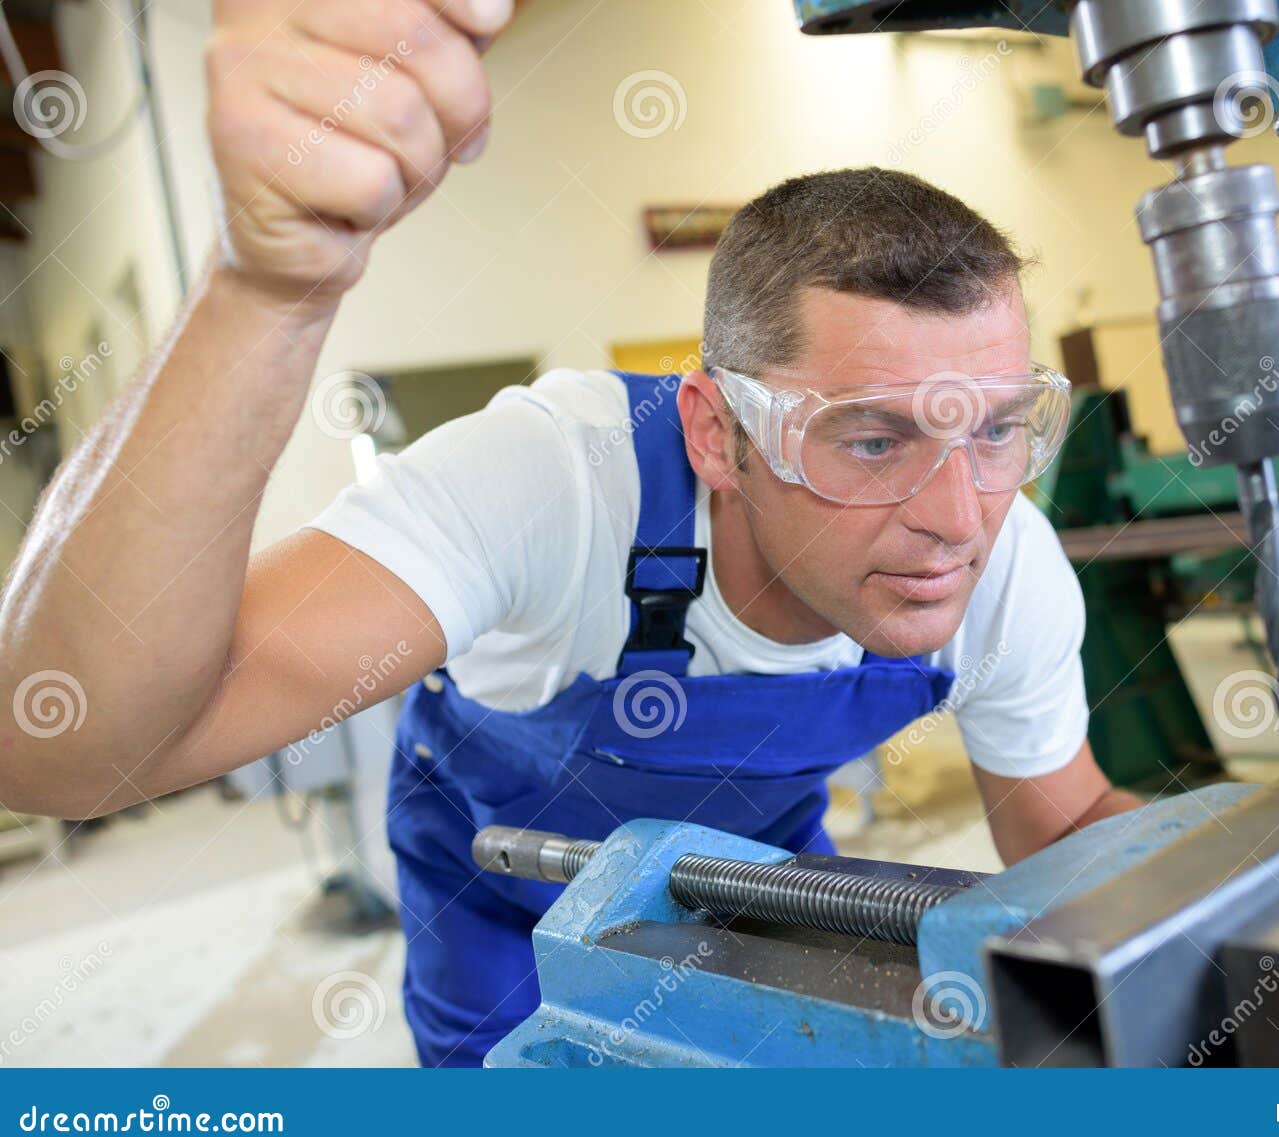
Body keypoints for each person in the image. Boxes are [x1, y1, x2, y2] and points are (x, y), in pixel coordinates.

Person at [0, 0, 1141, 1066]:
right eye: (872, 441)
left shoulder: (1006, 569)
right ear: (715, 432)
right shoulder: (560, 480)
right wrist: (267, 292)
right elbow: (66, 749)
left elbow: (1067, 828)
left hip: (754, 886)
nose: (957, 520)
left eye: (997, 431)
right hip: (498, 902)